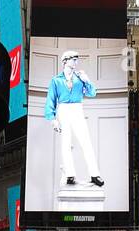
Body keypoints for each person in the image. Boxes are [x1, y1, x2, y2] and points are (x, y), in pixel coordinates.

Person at [44, 50, 104, 189]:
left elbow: (92, 93)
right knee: (66, 143)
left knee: (85, 141)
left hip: (77, 109)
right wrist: (52, 119)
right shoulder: (56, 80)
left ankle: (94, 174)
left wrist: (87, 80)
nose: (76, 62)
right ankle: (70, 174)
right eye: (73, 59)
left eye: (77, 59)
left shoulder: (79, 78)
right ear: (65, 61)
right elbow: (51, 100)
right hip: (63, 109)